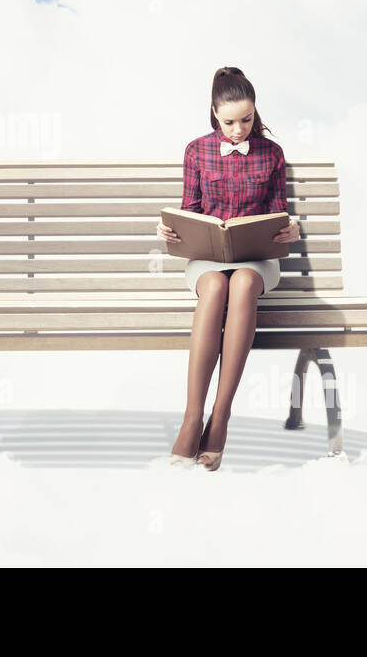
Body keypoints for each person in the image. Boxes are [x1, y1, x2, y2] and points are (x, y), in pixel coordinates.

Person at [156, 66, 301, 471]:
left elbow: (277, 211)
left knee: (241, 285)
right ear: (214, 114)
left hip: (256, 259)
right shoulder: (196, 150)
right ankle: (191, 418)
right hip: (206, 258)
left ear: (256, 113)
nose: (239, 129)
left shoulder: (271, 153)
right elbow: (190, 211)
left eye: (247, 119)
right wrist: (171, 229)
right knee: (216, 289)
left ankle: (220, 418)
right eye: (230, 121)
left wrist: (289, 228)